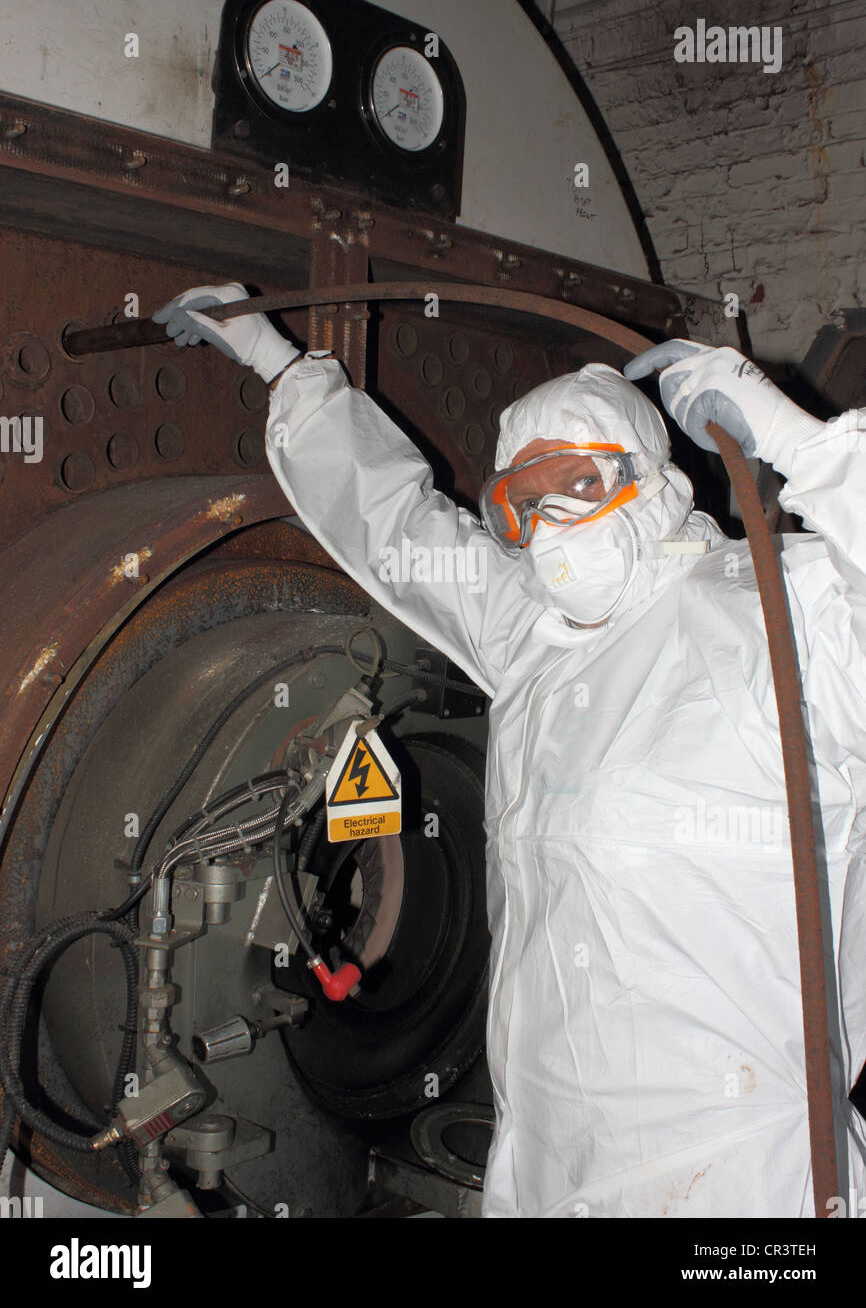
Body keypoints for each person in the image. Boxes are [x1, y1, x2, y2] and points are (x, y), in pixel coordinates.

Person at [152, 283, 866, 1218]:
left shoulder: (780, 619)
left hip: (741, 1180)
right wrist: (276, 362)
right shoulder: (536, 637)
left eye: (576, 483)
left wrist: (801, 440)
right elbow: (399, 527)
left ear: (654, 477)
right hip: (545, 1164)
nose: (549, 529)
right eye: (519, 505)